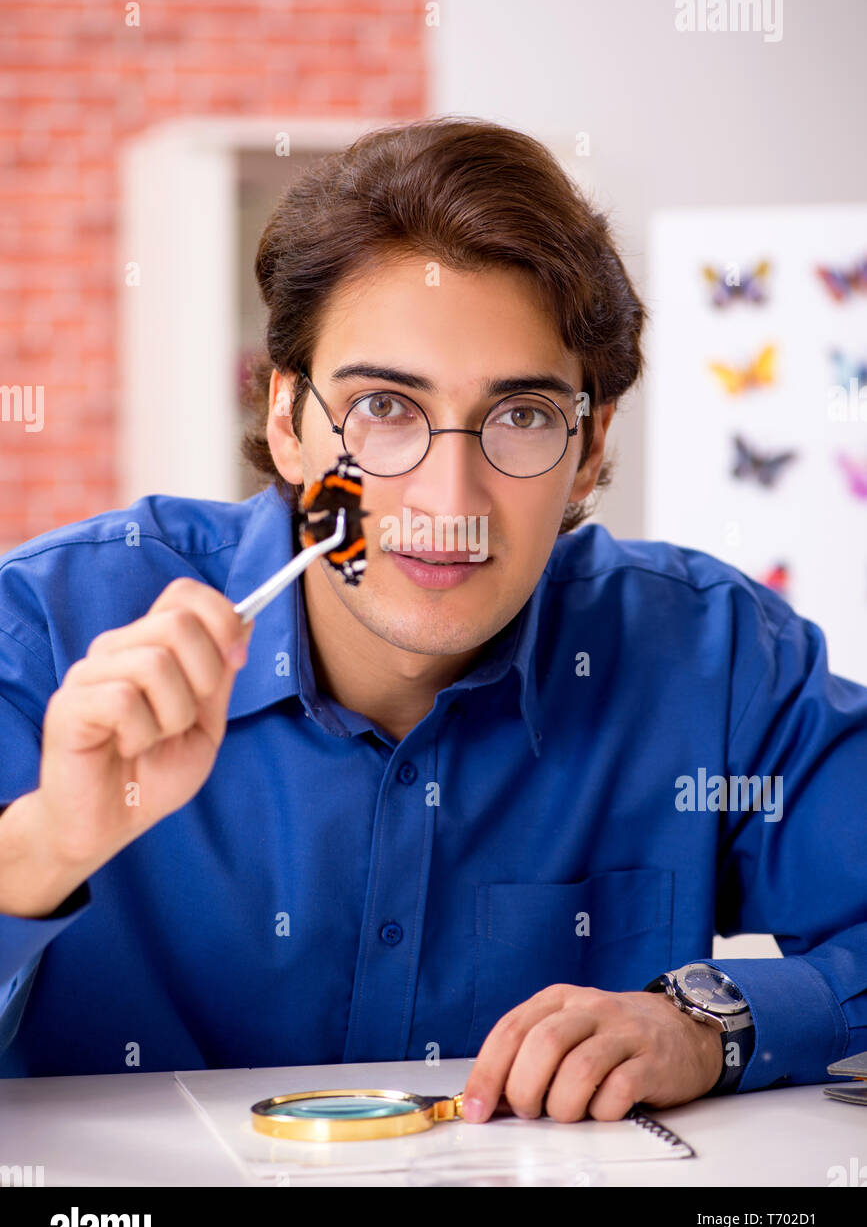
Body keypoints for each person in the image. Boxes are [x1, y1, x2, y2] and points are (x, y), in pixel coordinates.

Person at [0, 117, 864, 1125]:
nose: (447, 496)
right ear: (289, 420)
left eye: (524, 417)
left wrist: (712, 1023)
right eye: (383, 408)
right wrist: (45, 846)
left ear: (591, 452)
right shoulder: (46, 631)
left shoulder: (712, 661)